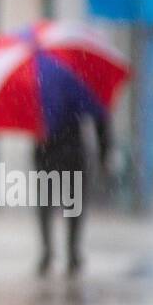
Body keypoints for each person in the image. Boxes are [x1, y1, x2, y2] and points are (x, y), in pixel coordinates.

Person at [34, 109, 110, 277]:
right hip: (71, 153)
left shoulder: (40, 88)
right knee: (71, 206)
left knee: (48, 204)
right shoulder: (78, 89)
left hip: (48, 152)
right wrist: (104, 153)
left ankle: (49, 252)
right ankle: (70, 252)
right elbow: (100, 118)